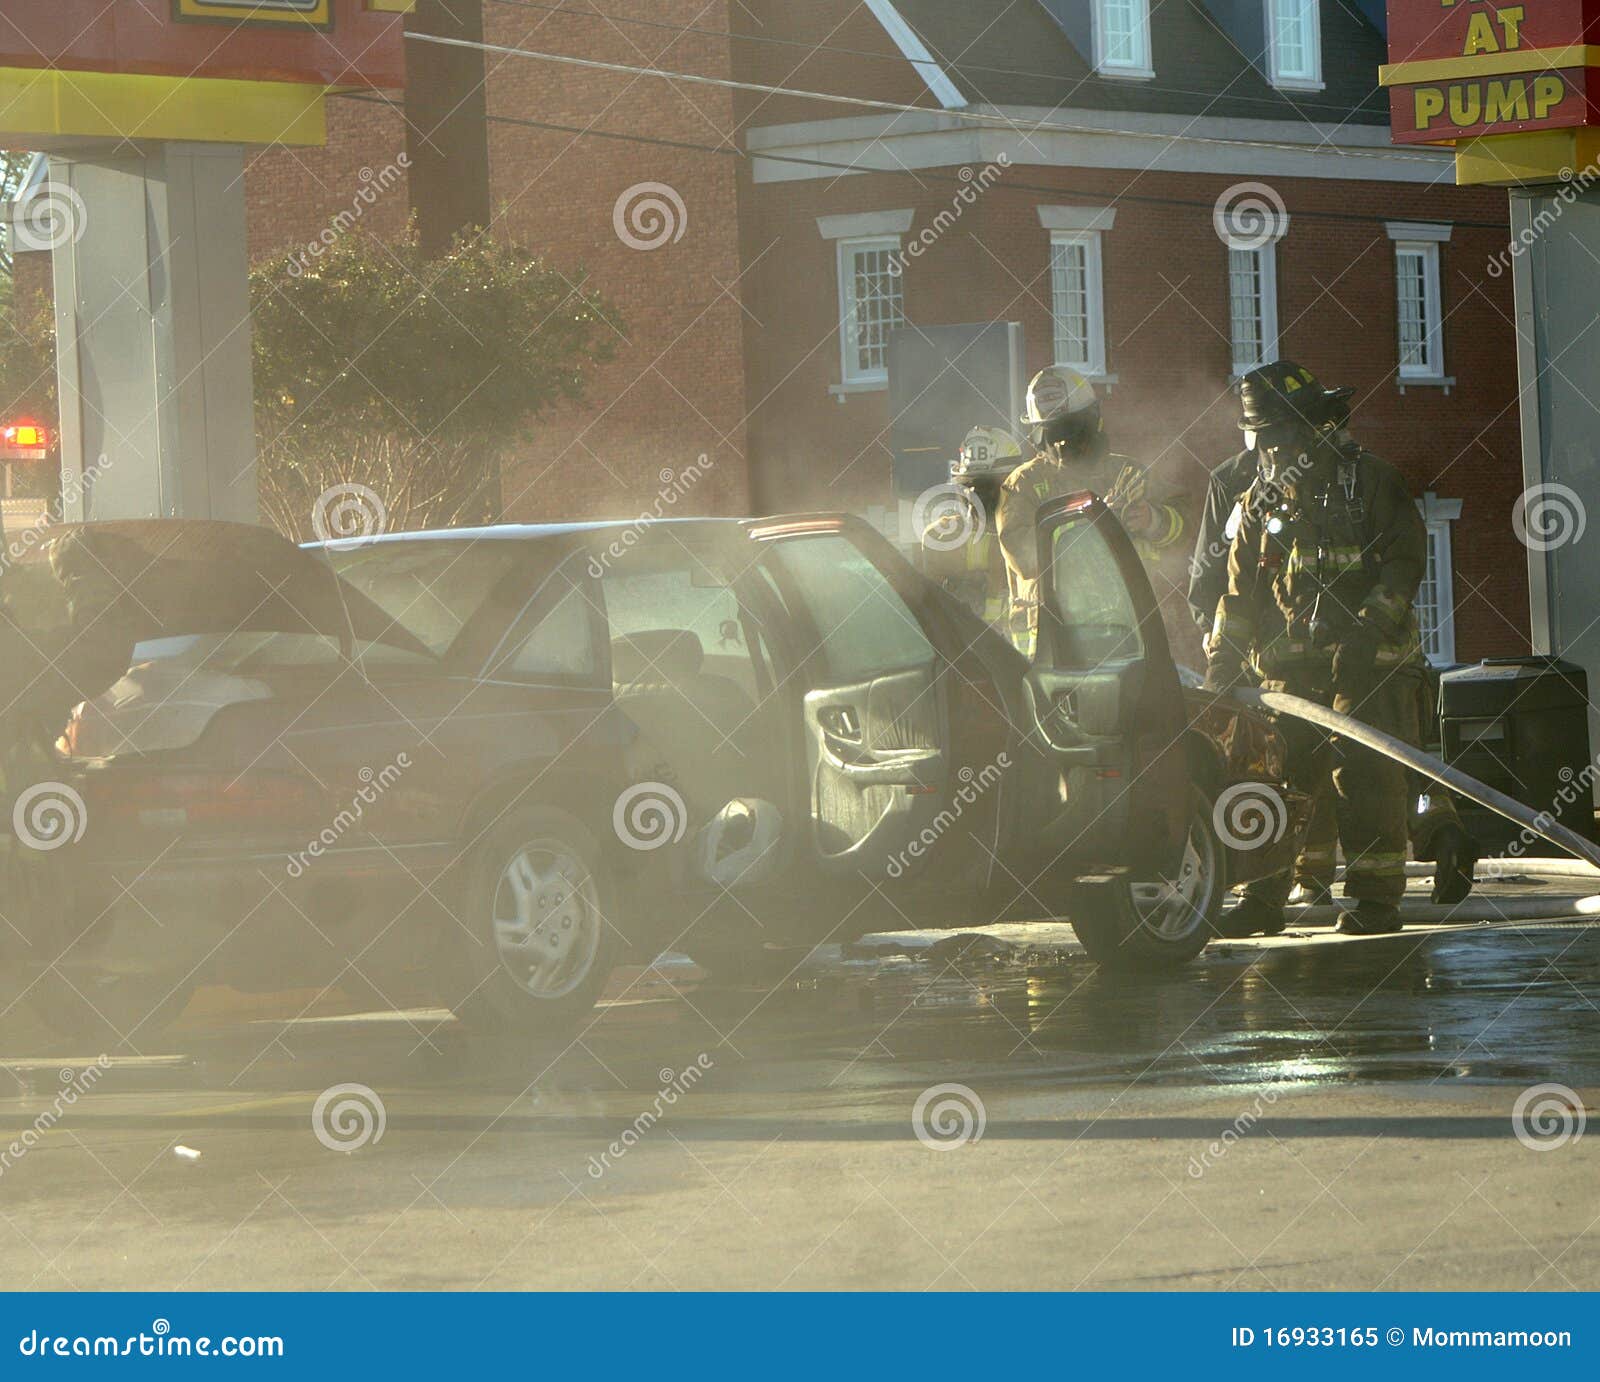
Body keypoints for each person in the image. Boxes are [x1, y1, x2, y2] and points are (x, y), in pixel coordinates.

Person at [1188, 370, 1475, 910]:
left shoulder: (1372, 482)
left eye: (1278, 435)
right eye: (1262, 436)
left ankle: (1373, 900)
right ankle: (1264, 895)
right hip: (1288, 676)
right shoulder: (1257, 502)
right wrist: (1222, 664)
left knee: (1363, 778)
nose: (1269, 449)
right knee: (1273, 780)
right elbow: (1236, 595)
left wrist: (1368, 631)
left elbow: (1405, 563)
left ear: (1314, 428)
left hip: (1368, 663)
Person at [997, 366, 1186, 654]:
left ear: (1093, 419)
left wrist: (1153, 520)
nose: (1065, 444)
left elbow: (1188, 530)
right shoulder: (1023, 485)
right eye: (1054, 433)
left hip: (1134, 631)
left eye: (1073, 429)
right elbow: (1023, 557)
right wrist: (1093, 523)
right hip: (1059, 642)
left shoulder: (1129, 472)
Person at [920, 424, 1030, 651]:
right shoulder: (941, 538)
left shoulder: (1032, 534)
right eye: (969, 486)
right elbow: (930, 615)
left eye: (988, 487)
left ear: (1012, 485)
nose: (977, 497)